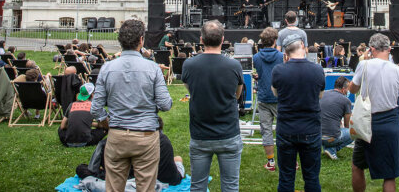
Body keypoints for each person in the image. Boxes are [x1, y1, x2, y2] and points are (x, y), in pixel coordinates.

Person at [90, 18, 172, 192]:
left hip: (117, 134)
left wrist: (107, 122)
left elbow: (95, 108)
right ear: (141, 40)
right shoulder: (153, 68)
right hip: (145, 135)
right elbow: (165, 104)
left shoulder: (107, 68)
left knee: (113, 188)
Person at [180, 20, 244, 192]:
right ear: (223, 40)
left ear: (201, 40)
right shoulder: (234, 65)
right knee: (230, 186)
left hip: (201, 134)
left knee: (198, 185)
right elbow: (237, 95)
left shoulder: (189, 64)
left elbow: (190, 90)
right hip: (228, 133)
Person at [349, 33, 399, 192]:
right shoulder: (398, 71)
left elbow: (352, 89)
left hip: (367, 121)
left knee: (357, 166)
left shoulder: (364, 65)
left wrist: (364, 61)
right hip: (390, 122)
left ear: (371, 49)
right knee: (389, 175)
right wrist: (397, 102)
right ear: (389, 49)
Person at [271, 32, 326, 192]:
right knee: (312, 177)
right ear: (303, 45)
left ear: (285, 52)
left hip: (286, 129)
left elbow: (276, 94)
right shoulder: (317, 70)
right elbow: (320, 96)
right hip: (311, 128)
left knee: (286, 178)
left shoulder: (278, 70)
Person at [252, 27, 284, 172]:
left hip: (264, 96)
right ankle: (291, 160)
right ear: (275, 40)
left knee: (266, 130)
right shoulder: (281, 56)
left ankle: (271, 161)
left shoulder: (256, 57)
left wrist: (260, 77)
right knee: (285, 129)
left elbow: (262, 72)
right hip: (279, 97)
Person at [59, 82, 107, 147]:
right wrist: (90, 124)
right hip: (86, 141)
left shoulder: (71, 105)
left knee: (60, 129)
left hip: (68, 142)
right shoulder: (93, 106)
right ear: (92, 95)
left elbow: (62, 126)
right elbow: (101, 125)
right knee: (104, 129)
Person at [319, 76, 354, 159]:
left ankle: (329, 147)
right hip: (331, 138)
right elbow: (347, 125)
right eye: (348, 89)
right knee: (353, 132)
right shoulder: (346, 101)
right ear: (343, 89)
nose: (348, 91)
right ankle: (331, 149)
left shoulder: (323, 94)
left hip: (317, 136)